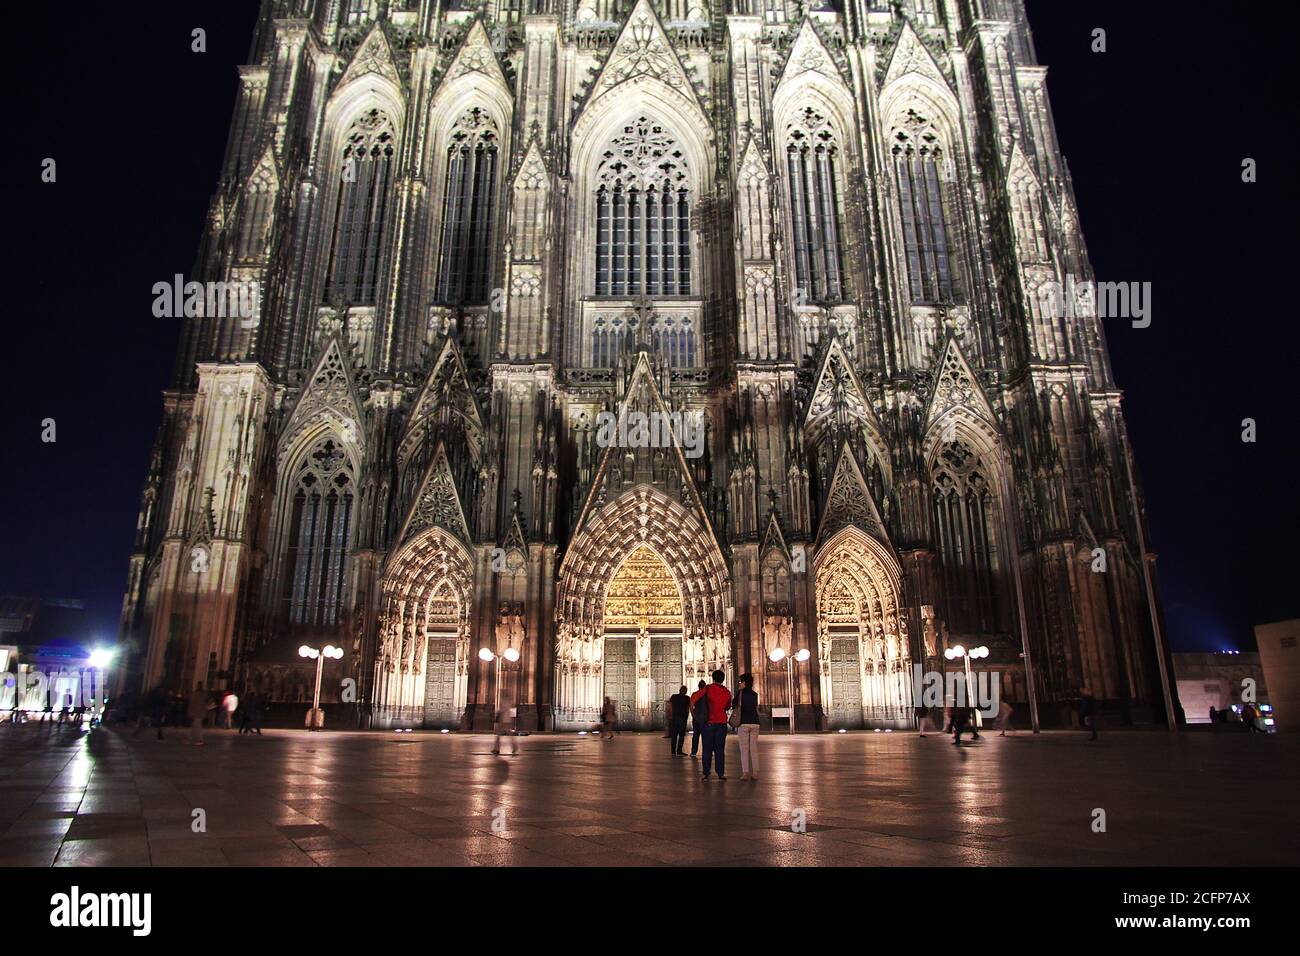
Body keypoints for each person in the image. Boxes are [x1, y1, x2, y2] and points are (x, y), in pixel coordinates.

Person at [698, 669, 733, 781]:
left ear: (713, 678)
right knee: (720, 749)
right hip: (722, 723)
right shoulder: (727, 692)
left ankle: (706, 773)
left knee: (707, 749)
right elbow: (728, 706)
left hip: (709, 723)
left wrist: (696, 716)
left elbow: (694, 699)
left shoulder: (707, 688)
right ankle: (720, 774)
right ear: (723, 679)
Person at [734, 673, 760, 781]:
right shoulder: (755, 694)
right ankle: (755, 773)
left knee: (744, 749)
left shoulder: (740, 693)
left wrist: (739, 692)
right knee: (754, 749)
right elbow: (754, 706)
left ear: (744, 683)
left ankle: (745, 773)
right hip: (755, 723)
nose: (739, 683)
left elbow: (734, 704)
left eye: (740, 682)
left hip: (744, 722)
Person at [668, 685, 690, 755]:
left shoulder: (674, 696)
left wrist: (670, 715)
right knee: (681, 736)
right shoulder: (687, 698)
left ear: (679, 690)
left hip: (675, 718)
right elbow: (688, 708)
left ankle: (673, 751)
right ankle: (679, 751)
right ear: (686, 692)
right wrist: (687, 717)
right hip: (682, 719)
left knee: (674, 735)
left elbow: (670, 706)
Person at [688, 679, 707, 758]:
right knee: (705, 736)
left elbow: (691, 706)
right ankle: (706, 752)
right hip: (705, 718)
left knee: (696, 735)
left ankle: (693, 752)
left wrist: (694, 716)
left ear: (698, 686)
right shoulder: (707, 695)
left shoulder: (695, 694)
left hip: (697, 718)